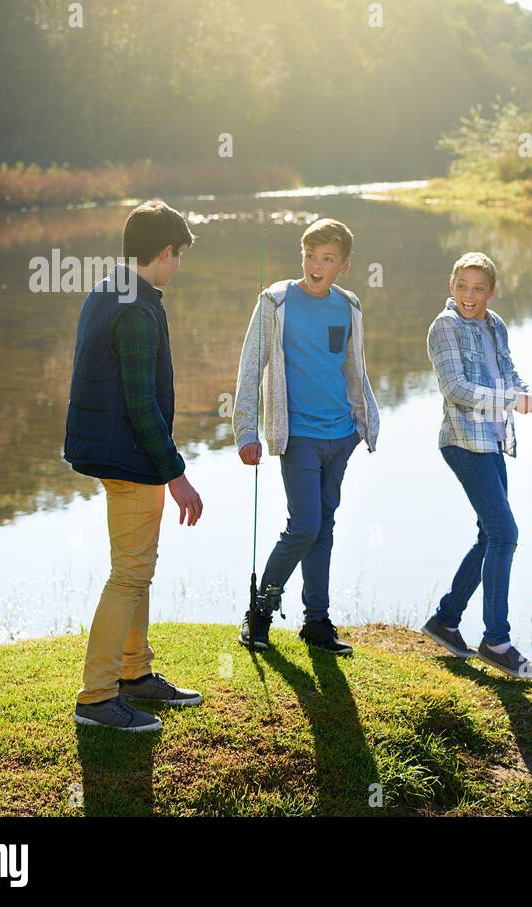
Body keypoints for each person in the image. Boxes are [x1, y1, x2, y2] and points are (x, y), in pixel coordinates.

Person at [65, 200, 204, 732]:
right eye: (178, 257)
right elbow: (141, 403)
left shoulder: (107, 288)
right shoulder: (137, 310)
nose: (177, 267)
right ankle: (97, 699)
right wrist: (178, 475)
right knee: (129, 575)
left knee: (136, 568)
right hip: (129, 457)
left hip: (113, 452)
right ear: (165, 252)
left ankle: (134, 674)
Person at [233, 218, 380, 654]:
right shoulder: (276, 302)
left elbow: (354, 367)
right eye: (310, 256)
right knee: (305, 525)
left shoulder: (348, 305)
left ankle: (316, 622)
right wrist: (245, 431)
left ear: (344, 265)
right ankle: (259, 611)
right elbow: (250, 368)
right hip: (297, 436)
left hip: (341, 435)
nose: (317, 265)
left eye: (328, 259)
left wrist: (361, 424)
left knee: (325, 528)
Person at [422, 252, 532, 679]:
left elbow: (509, 376)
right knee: (505, 533)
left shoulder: (495, 325)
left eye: (478, 288)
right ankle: (496, 641)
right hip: (464, 443)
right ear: (451, 286)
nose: (469, 295)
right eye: (462, 286)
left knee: (489, 534)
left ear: (491, 291)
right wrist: (509, 399)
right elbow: (457, 389)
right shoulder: (444, 327)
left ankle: (445, 621)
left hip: (494, 442)